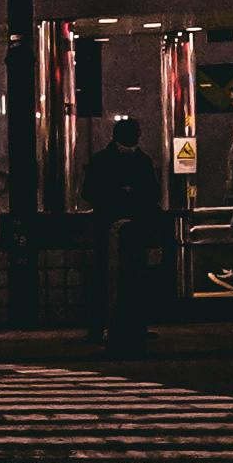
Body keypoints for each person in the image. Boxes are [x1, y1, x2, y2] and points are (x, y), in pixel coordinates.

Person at [82, 113, 163, 352]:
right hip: (132, 228)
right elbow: (153, 194)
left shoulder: (101, 160)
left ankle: (102, 327)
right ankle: (129, 325)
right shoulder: (142, 161)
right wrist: (130, 195)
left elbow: (89, 193)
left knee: (105, 278)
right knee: (131, 277)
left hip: (108, 226)